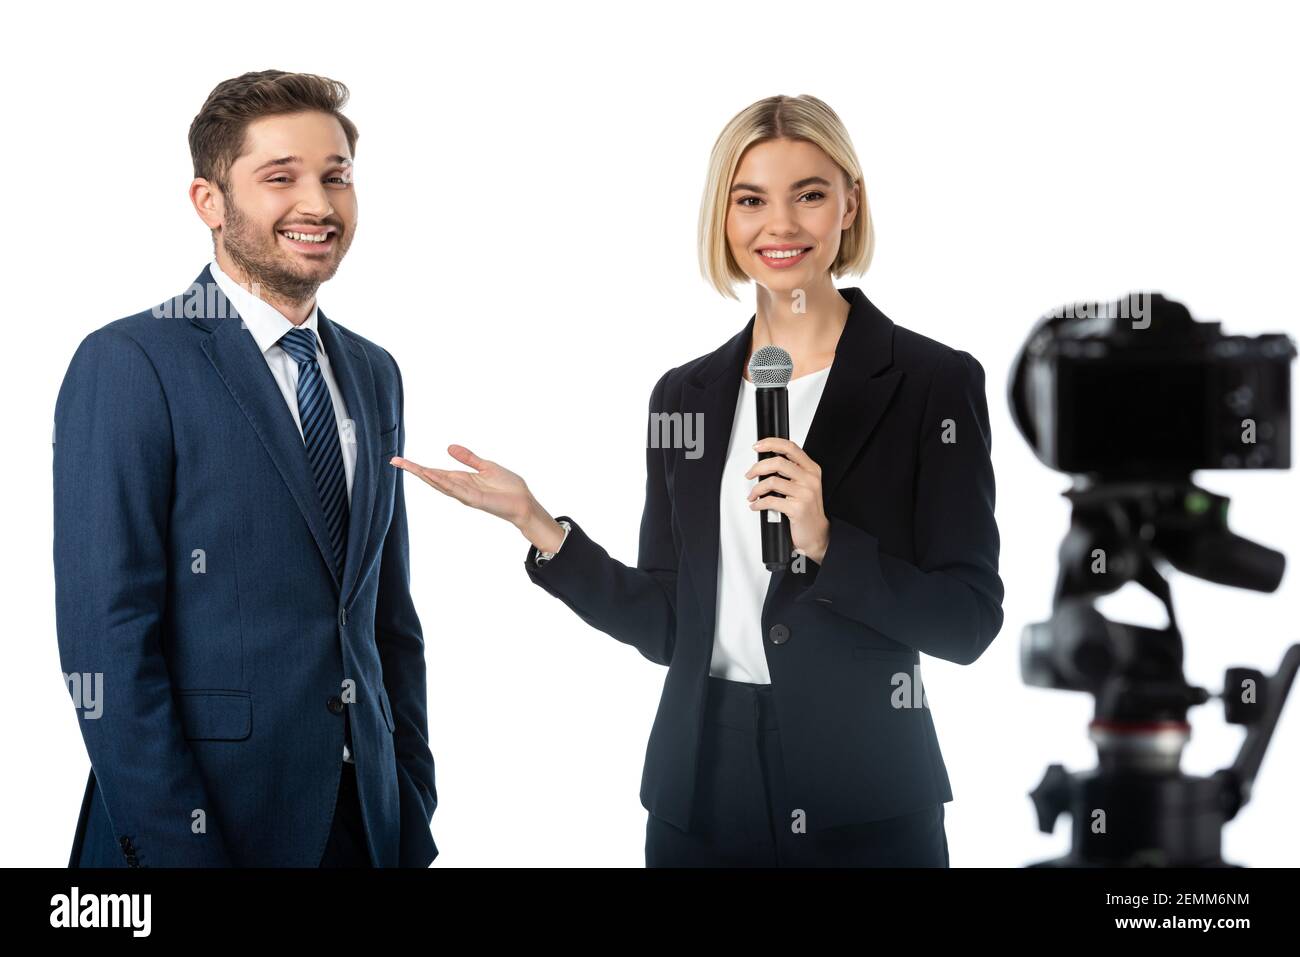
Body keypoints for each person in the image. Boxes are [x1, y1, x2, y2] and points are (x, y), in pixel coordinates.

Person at [393, 94, 1003, 866]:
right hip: (701, 788)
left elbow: (968, 621)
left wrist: (826, 541)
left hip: (867, 790)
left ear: (850, 204)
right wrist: (538, 524)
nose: (779, 225)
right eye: (751, 200)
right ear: (723, 214)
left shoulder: (932, 381)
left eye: (809, 194)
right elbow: (669, 626)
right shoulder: (683, 395)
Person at [53, 70, 437, 867]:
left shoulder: (374, 371)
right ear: (210, 202)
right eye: (281, 177)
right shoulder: (129, 362)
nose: (319, 204)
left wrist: (410, 800)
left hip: (365, 824)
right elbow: (107, 644)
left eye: (336, 177)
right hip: (204, 826)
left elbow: (385, 615)